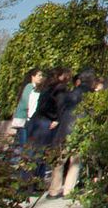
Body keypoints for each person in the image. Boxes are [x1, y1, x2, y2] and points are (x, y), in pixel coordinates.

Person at [46, 69, 94, 198]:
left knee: (59, 161)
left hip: (64, 130)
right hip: (80, 131)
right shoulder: (93, 96)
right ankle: (68, 190)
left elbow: (60, 112)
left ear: (78, 81)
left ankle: (54, 190)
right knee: (75, 162)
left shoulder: (69, 94)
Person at [12, 69, 43, 145]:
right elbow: (26, 102)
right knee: (23, 142)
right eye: (39, 75)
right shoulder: (29, 87)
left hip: (25, 119)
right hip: (24, 119)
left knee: (22, 142)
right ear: (33, 76)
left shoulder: (35, 88)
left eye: (42, 76)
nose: (41, 77)